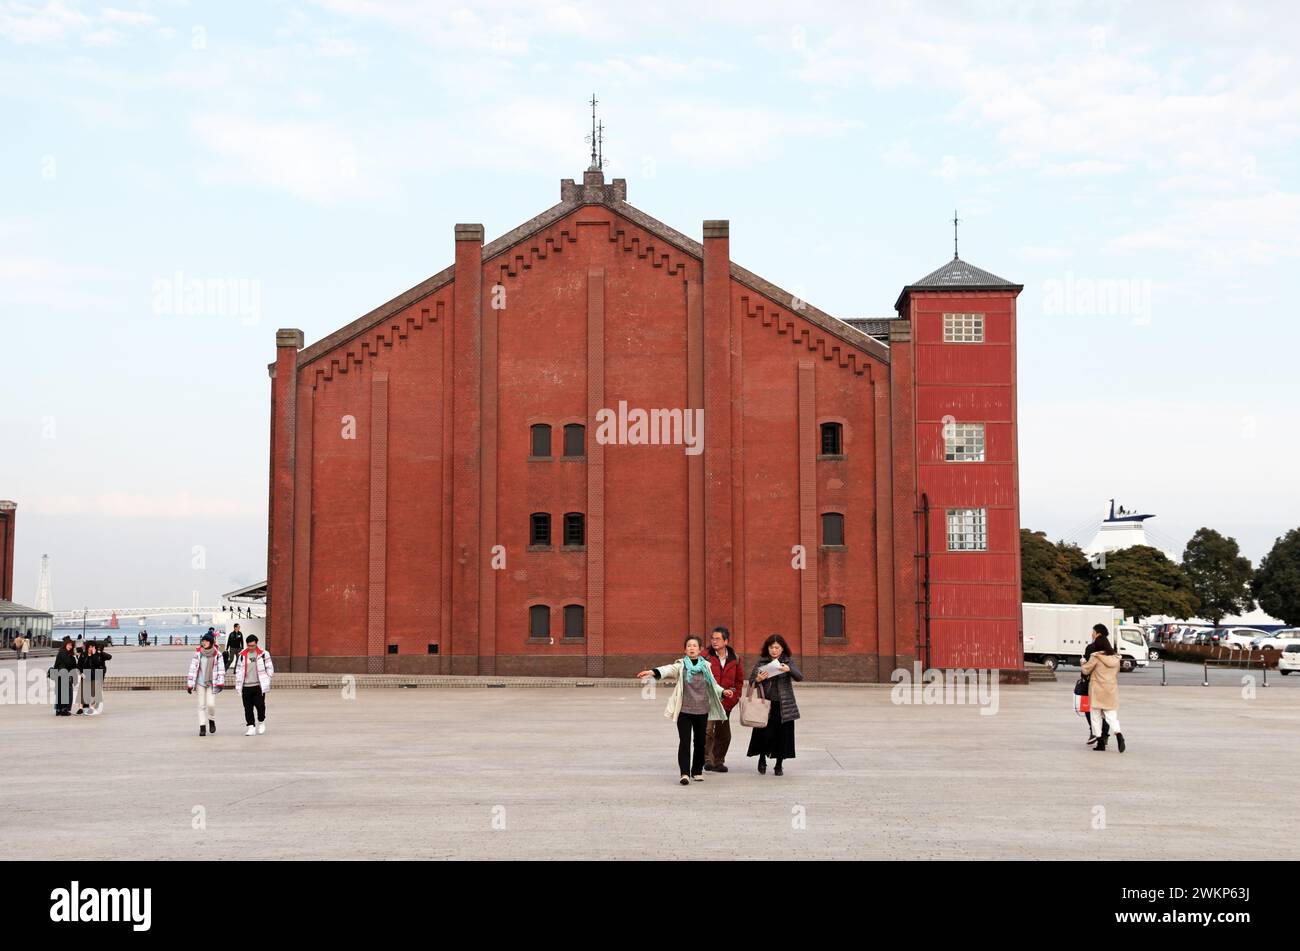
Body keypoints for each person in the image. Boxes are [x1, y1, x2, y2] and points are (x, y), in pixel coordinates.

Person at [636, 635, 728, 786]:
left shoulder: (706, 666)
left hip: (702, 710)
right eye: (689, 646)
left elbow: (713, 684)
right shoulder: (681, 665)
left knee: (700, 743)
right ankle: (684, 773)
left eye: (695, 646)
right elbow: (667, 669)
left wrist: (723, 692)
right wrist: (652, 672)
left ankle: (697, 771)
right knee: (684, 742)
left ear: (700, 649)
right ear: (685, 650)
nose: (692, 648)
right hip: (684, 711)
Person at [746, 633, 803, 775]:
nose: (774, 650)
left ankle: (779, 764)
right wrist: (758, 679)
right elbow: (751, 682)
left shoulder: (787, 662)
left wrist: (789, 670)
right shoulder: (762, 662)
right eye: (772, 647)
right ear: (768, 648)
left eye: (777, 647)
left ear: (782, 649)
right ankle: (762, 759)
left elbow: (800, 677)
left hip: (784, 705)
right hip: (767, 705)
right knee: (765, 734)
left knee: (783, 736)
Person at [703, 626, 743, 773]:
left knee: (724, 734)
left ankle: (719, 761)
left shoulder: (735, 658)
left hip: (725, 702)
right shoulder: (705, 656)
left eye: (717, 638)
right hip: (708, 701)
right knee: (707, 731)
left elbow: (739, 682)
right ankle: (708, 760)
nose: (714, 641)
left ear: (726, 641)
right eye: (712, 638)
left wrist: (733, 699)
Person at [1081, 632, 1126, 753]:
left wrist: (1082, 663)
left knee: (1095, 716)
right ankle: (1119, 735)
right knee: (1111, 716)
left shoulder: (1095, 657)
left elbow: (1086, 670)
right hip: (1110, 690)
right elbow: (1116, 672)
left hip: (1097, 689)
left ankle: (1100, 742)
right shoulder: (1116, 658)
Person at [186, 632, 225, 737]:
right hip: (200, 683)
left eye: (207, 641)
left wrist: (220, 683)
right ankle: (202, 727)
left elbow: (221, 670)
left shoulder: (218, 654)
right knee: (201, 705)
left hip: (212, 683)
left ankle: (211, 720)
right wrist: (190, 684)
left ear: (211, 642)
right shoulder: (198, 653)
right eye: (203, 641)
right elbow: (192, 669)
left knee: (211, 704)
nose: (204, 643)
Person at [234, 634, 274, 736]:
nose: (251, 648)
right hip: (246, 686)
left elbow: (270, 668)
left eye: (252, 645)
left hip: (258, 686)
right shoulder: (242, 655)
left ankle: (261, 722)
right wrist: (239, 682)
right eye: (249, 646)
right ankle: (251, 727)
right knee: (247, 708)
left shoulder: (264, 654)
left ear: (256, 643)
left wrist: (266, 680)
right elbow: (238, 669)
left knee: (260, 706)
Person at [1081, 623, 1111, 746]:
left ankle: (1094, 731)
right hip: (1107, 685)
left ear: (1098, 633)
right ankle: (1104, 735)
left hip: (1092, 684)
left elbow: (1086, 668)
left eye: (1093, 632)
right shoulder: (1110, 649)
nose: (1092, 634)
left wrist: (1082, 664)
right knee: (1106, 711)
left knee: (1090, 709)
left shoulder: (1090, 648)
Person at [76, 641, 112, 716]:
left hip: (95, 675)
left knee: (93, 693)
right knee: (83, 692)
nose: (90, 648)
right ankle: (80, 708)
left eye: (92, 647)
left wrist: (95, 654)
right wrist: (81, 673)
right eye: (89, 647)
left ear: (94, 647)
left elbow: (98, 663)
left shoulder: (97, 655)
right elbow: (79, 665)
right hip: (85, 674)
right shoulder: (83, 654)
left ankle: (91, 707)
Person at [52, 637, 79, 716]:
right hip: (65, 675)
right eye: (69, 645)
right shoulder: (65, 653)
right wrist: (74, 658)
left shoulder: (61, 652)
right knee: (67, 693)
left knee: (60, 693)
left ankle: (59, 709)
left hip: (60, 675)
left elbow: (56, 665)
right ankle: (65, 709)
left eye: (71, 646)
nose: (70, 647)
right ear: (65, 644)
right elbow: (70, 664)